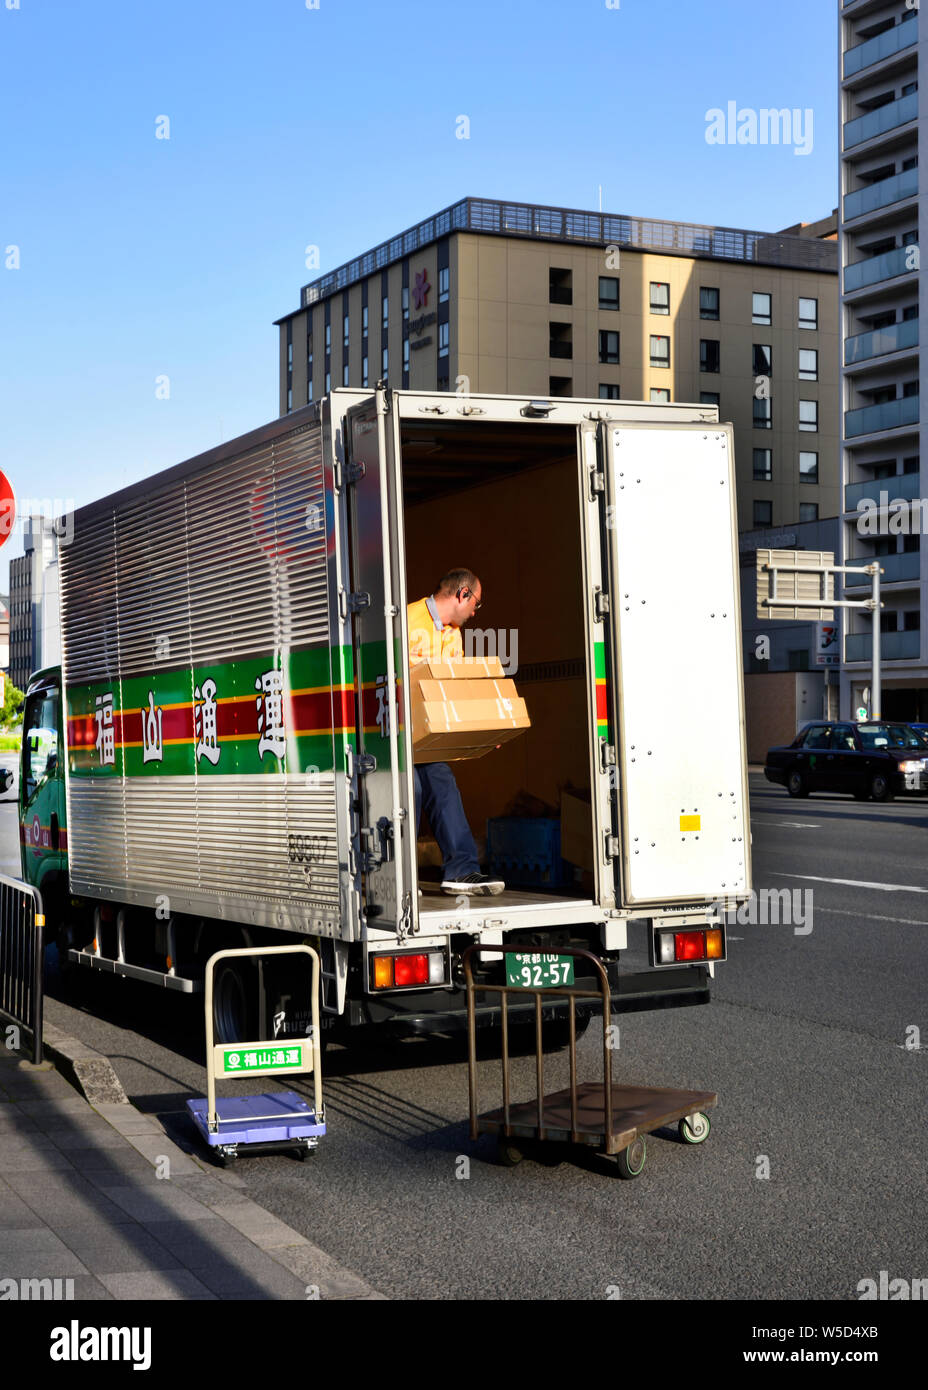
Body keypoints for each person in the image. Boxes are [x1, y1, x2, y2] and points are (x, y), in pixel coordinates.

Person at [408, 569, 504, 896]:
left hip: (428, 735)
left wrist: (484, 729)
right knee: (412, 791)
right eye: (476, 603)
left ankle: (461, 872)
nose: (475, 612)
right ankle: (399, 874)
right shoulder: (405, 621)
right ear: (462, 594)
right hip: (394, 732)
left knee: (443, 785)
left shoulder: (453, 636)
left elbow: (456, 687)